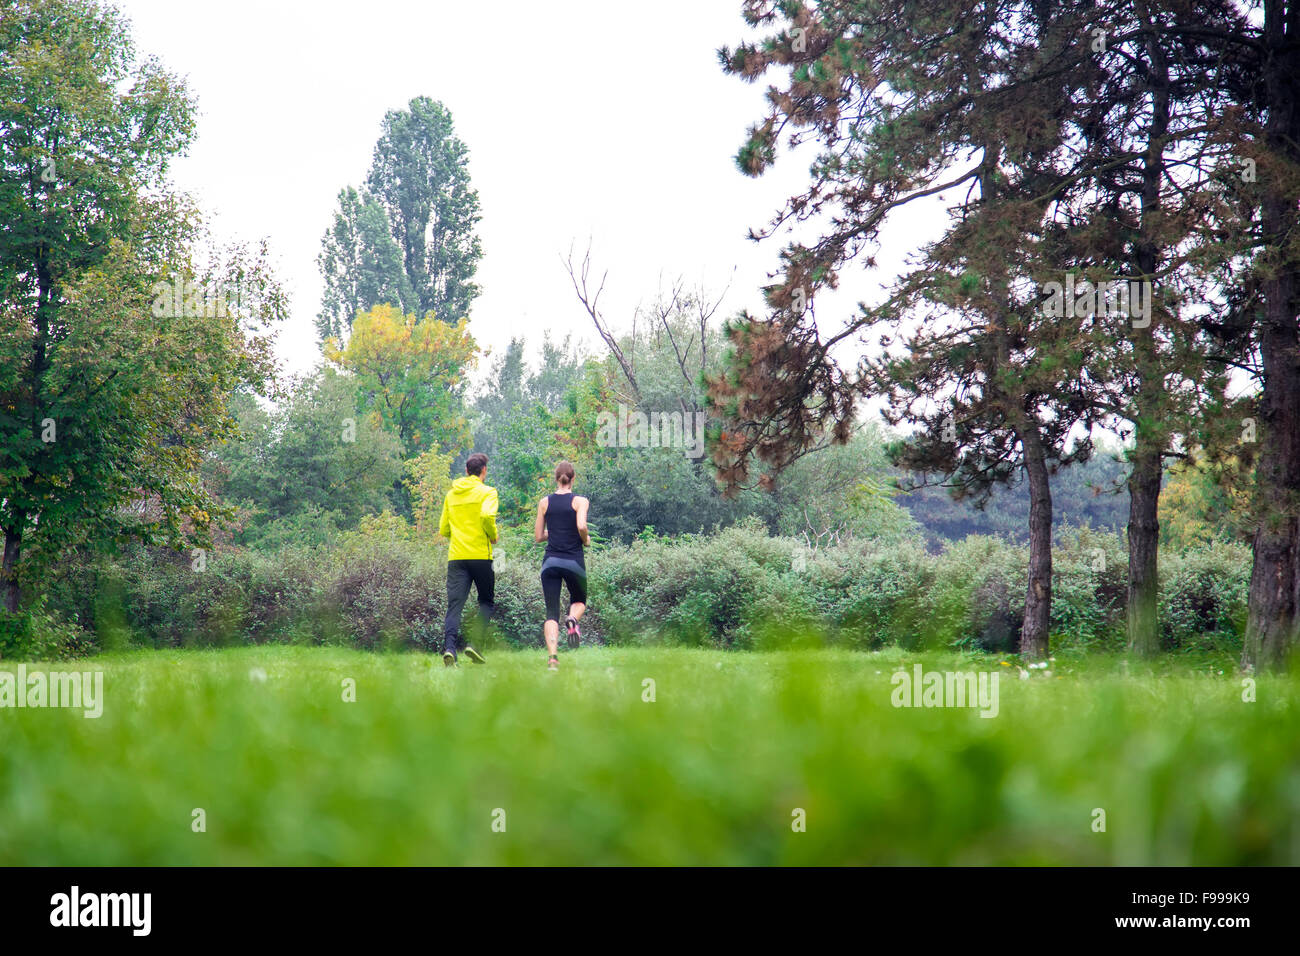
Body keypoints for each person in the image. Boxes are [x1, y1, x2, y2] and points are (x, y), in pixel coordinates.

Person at [438, 452, 498, 667]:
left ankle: (450, 650)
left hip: (457, 557)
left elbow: (443, 529)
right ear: (484, 471)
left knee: (454, 606)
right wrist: (492, 534)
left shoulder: (451, 495)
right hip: (481, 556)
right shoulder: (488, 492)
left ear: (466, 471)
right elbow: (486, 516)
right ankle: (474, 645)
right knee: (486, 602)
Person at [534, 461, 589, 671]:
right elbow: (581, 525)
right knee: (579, 601)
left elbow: (539, 536)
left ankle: (553, 659)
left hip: (550, 563)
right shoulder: (580, 501)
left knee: (551, 612)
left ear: (556, 479)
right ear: (573, 478)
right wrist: (585, 539)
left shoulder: (544, 502)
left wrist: (555, 533)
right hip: (573, 561)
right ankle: (573, 620)